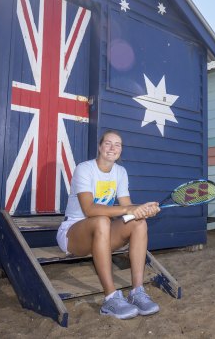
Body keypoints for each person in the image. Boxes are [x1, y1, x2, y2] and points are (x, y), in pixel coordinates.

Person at [56, 129, 161, 319]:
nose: (112, 148)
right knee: (102, 220)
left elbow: (128, 207)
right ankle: (110, 298)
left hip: (102, 234)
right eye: (108, 143)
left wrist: (144, 208)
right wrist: (128, 210)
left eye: (117, 144)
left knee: (139, 223)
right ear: (99, 147)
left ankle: (137, 291)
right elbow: (89, 210)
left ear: (121, 150)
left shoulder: (120, 172)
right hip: (73, 234)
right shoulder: (85, 168)